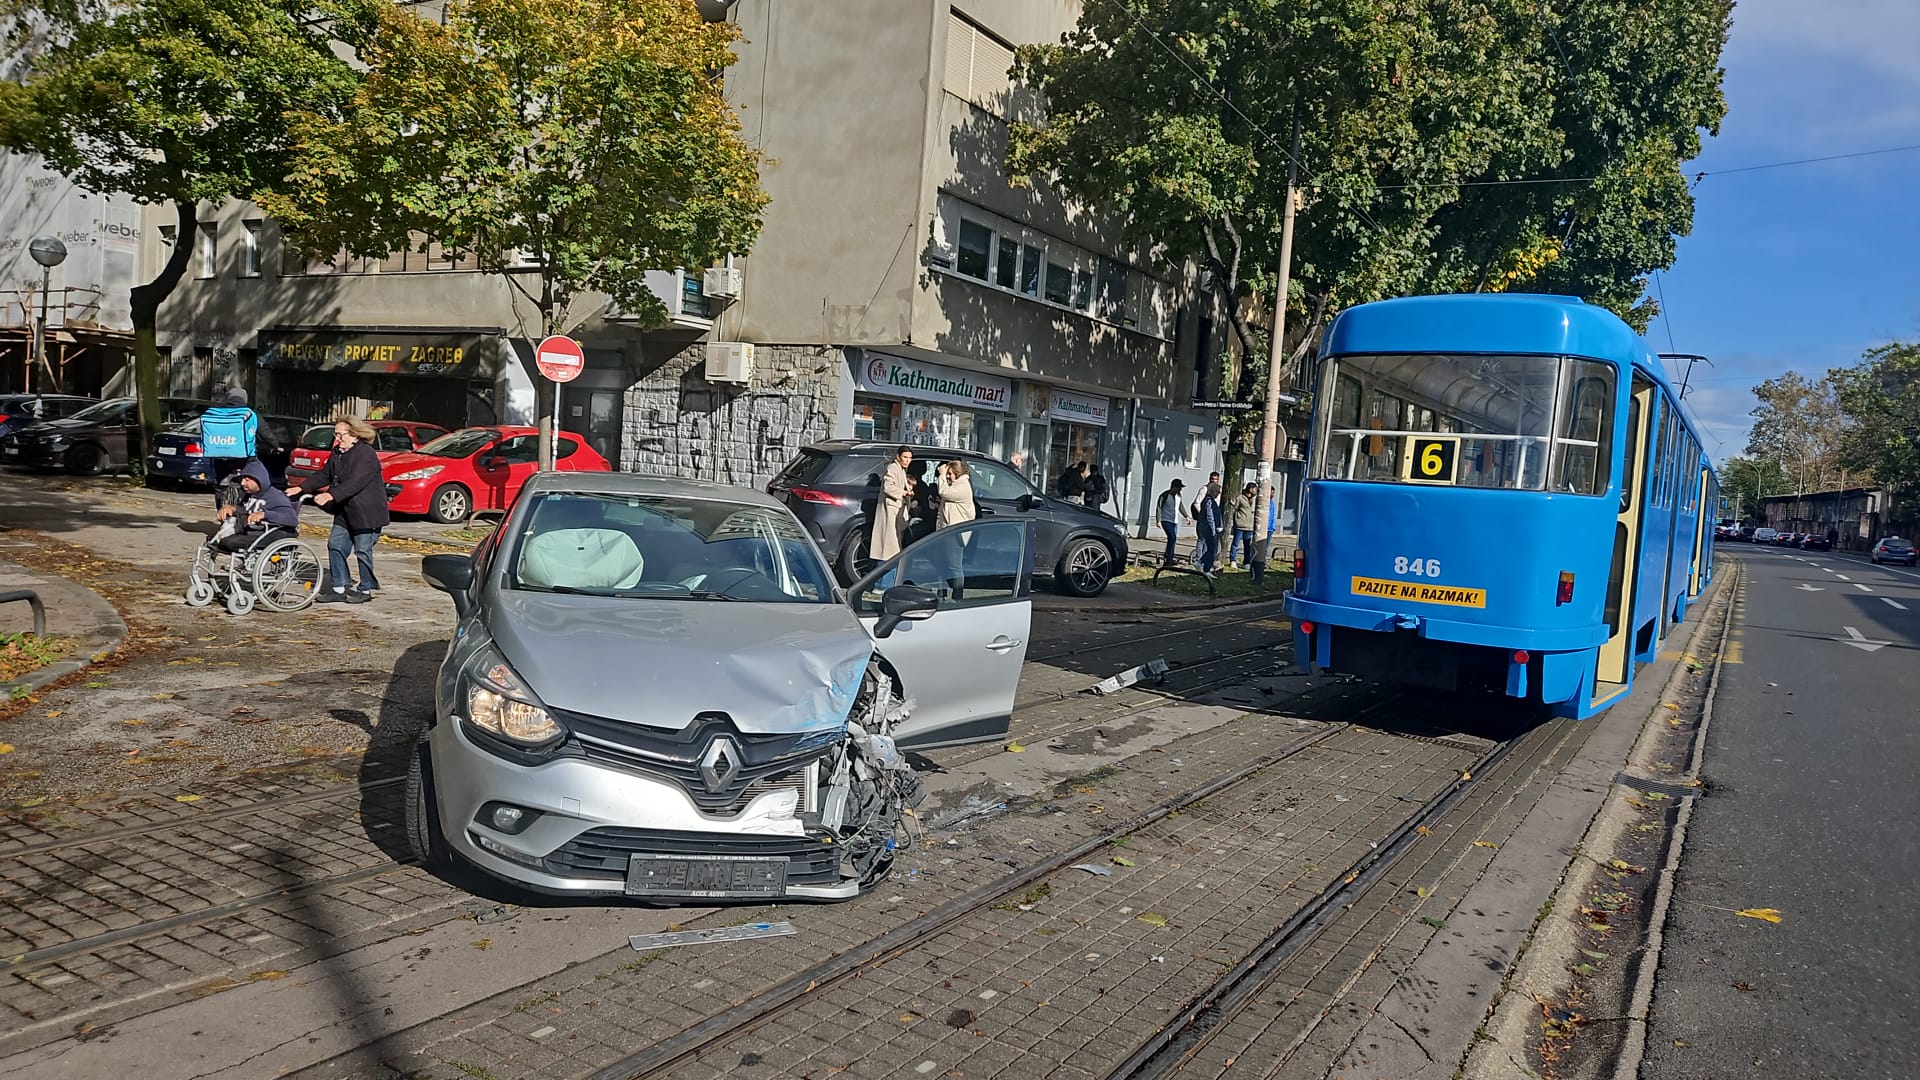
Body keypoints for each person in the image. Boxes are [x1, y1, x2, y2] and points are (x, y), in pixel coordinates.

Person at [286, 416, 390, 604]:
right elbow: (324, 475)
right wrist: (302, 488)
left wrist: (330, 495)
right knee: (335, 545)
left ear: (355, 436)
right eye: (336, 434)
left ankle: (366, 589)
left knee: (363, 550)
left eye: (341, 435)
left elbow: (355, 482)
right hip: (345, 510)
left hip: (367, 512)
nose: (337, 439)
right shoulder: (337, 452)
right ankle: (338, 587)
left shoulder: (365, 454)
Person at [210, 460, 298, 553]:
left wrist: (265, 514)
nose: (243, 483)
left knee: (228, 543)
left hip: (273, 535)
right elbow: (245, 510)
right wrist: (232, 508)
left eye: (247, 480)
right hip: (253, 533)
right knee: (215, 540)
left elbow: (292, 519)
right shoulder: (249, 494)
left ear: (259, 480)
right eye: (242, 479)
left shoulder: (276, 497)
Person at [201, 388, 259, 509]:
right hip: (245, 458)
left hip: (220, 457)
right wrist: (275, 446)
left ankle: (220, 511)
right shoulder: (250, 414)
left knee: (220, 485)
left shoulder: (217, 412)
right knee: (246, 484)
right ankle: (242, 511)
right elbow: (266, 433)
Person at [871, 446, 912, 563]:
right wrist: (903, 493)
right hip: (890, 510)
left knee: (891, 549)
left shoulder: (901, 469)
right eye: (905, 457)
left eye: (909, 458)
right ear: (898, 457)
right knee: (888, 549)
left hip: (895, 511)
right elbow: (888, 487)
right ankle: (883, 580)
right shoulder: (893, 468)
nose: (907, 460)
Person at [1156, 479, 1188, 565]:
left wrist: (1186, 516)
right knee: (1172, 537)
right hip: (1166, 520)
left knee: (1173, 540)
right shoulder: (1165, 495)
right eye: (1179, 487)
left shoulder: (1179, 496)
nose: (1180, 489)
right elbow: (1159, 507)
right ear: (1174, 487)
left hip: (1175, 521)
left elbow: (1180, 506)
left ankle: (1170, 557)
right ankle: (1167, 558)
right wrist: (1158, 520)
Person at [1194, 482, 1224, 573]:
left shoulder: (1211, 501)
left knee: (1213, 548)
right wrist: (1213, 529)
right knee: (1212, 549)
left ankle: (1204, 565)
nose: (1218, 494)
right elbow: (1210, 516)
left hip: (1211, 528)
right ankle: (1204, 566)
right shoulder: (1209, 501)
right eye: (1217, 491)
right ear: (1211, 491)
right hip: (1209, 528)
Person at [937, 459, 977, 528]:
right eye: (947, 474)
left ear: (958, 474)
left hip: (957, 531)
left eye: (950, 474)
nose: (947, 476)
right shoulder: (956, 485)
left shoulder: (962, 486)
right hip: (950, 529)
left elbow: (943, 492)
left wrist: (942, 475)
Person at [1228, 483, 1258, 568]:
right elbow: (1235, 509)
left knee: (1247, 545)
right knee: (1236, 543)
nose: (1255, 491)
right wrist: (1236, 520)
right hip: (1240, 525)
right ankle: (1233, 560)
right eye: (1254, 489)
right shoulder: (1240, 498)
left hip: (1249, 526)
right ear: (1250, 489)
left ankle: (1246, 562)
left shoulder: (1254, 499)